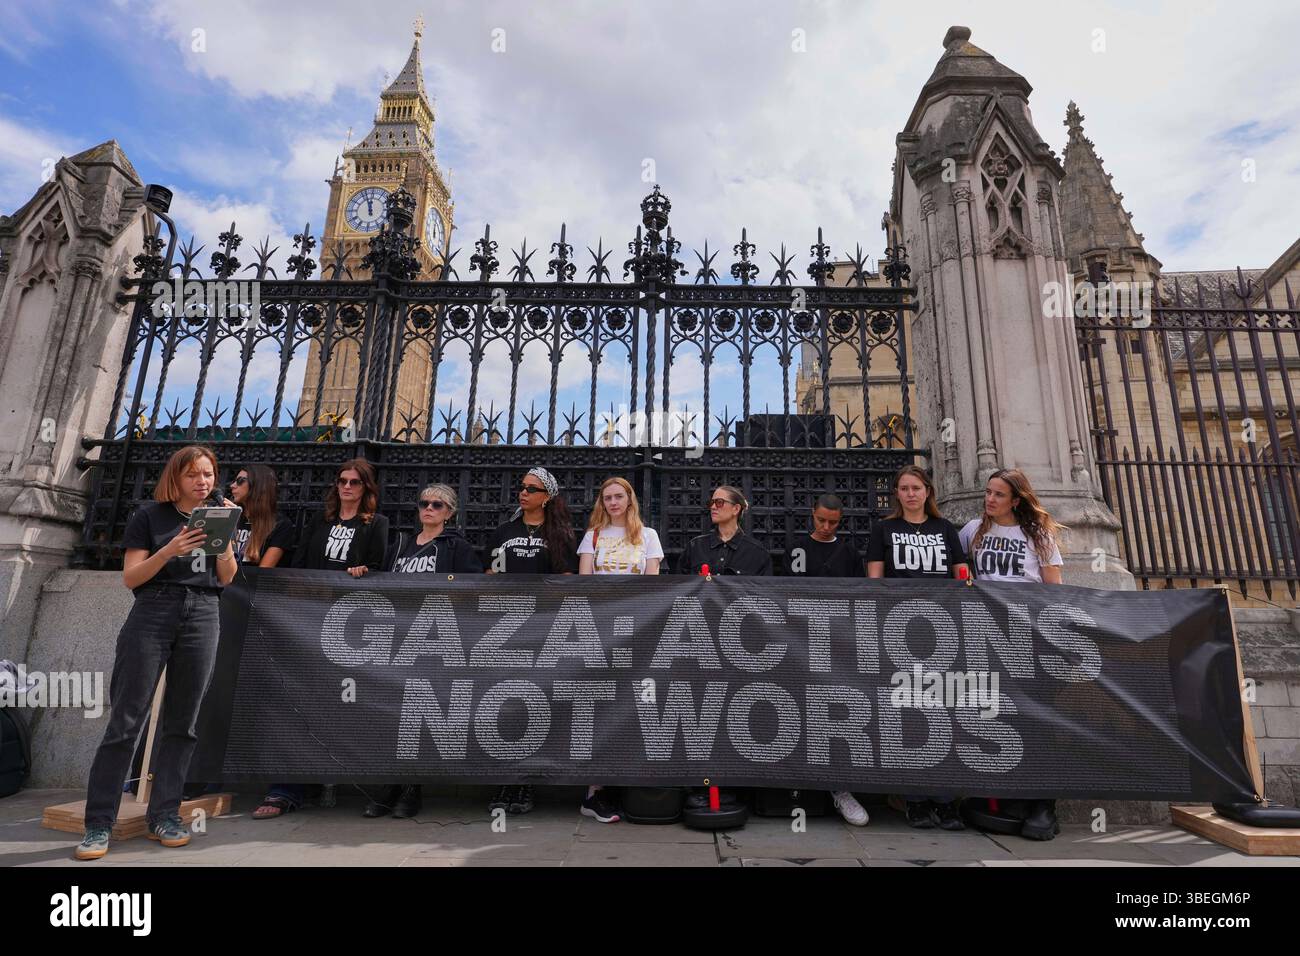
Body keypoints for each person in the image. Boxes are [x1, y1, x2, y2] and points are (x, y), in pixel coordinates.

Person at [75, 446, 238, 860]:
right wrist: (170, 551)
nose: (203, 482)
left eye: (208, 474)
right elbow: (131, 577)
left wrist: (227, 540)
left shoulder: (218, 513)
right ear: (175, 479)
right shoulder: (150, 516)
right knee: (127, 720)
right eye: (193, 476)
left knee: (183, 722)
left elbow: (228, 576)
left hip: (204, 611)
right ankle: (98, 824)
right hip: (154, 610)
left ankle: (165, 814)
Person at [253, 458, 390, 820]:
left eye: (355, 483)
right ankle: (286, 788)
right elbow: (299, 561)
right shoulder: (320, 519)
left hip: (350, 625)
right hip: (308, 619)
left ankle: (348, 781)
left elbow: (380, 570)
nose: (347, 487)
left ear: (366, 489)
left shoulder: (377, 524)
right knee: (297, 697)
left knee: (343, 704)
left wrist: (364, 572)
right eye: (343, 481)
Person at [362, 484, 483, 820]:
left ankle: (412, 787)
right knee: (391, 713)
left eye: (437, 505)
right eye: (424, 503)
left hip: (434, 642)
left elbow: (473, 589)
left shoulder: (455, 547)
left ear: (449, 512)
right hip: (396, 640)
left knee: (420, 715)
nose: (429, 509)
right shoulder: (399, 544)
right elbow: (380, 582)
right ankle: (389, 785)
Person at [959, 467, 1065, 841]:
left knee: (1036, 720)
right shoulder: (972, 531)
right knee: (995, 718)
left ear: (1016, 500)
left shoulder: (1039, 535)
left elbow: (1054, 592)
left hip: (1030, 639)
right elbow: (961, 578)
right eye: (988, 493)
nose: (990, 500)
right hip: (987, 640)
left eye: (999, 495)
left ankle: (1042, 803)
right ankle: (1003, 796)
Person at [866, 464, 970, 831]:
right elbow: (874, 584)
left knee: (944, 713)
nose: (910, 493)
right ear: (897, 493)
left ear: (928, 491)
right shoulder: (884, 529)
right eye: (904, 488)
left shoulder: (945, 530)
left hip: (942, 635)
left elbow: (962, 577)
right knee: (909, 715)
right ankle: (915, 800)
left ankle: (944, 802)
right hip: (900, 634)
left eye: (916, 487)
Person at [484, 466, 577, 816]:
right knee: (501, 704)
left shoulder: (560, 533)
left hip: (542, 632)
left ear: (547, 497)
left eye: (531, 489)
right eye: (522, 488)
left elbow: (567, 580)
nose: (523, 493)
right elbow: (489, 574)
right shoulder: (504, 530)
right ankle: (504, 779)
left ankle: (525, 781)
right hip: (504, 632)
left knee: (534, 703)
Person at [575, 477, 664, 824]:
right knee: (597, 704)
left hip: (636, 629)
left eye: (619, 497)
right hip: (599, 629)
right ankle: (593, 792)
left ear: (629, 500)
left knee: (633, 704)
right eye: (607, 497)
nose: (613, 502)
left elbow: (653, 585)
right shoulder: (592, 536)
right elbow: (585, 585)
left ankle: (627, 784)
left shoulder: (648, 535)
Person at [788, 494, 868, 826]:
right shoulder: (797, 548)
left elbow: (859, 598)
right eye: (821, 520)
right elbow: (787, 595)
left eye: (833, 522)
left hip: (837, 644)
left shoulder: (849, 552)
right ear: (812, 515)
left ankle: (840, 787)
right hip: (801, 642)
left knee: (837, 712)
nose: (825, 527)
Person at [677, 485, 772, 576]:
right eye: (711, 503)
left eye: (719, 502)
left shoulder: (756, 552)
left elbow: (764, 590)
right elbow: (680, 585)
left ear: (736, 509)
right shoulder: (695, 546)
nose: (713, 507)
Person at [228, 464, 294, 567]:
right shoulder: (232, 516)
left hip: (251, 581)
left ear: (258, 485)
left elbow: (263, 570)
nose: (232, 485)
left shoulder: (280, 524)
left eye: (240, 481)